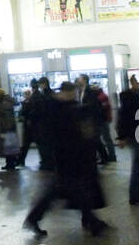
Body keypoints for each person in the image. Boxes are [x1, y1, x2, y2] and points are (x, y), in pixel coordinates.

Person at [23, 82, 110, 236]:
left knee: (75, 188)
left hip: (73, 156)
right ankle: (34, 218)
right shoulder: (54, 107)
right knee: (63, 189)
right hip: (67, 156)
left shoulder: (66, 106)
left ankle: (90, 219)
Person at [116, 75, 139, 205]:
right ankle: (135, 195)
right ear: (131, 84)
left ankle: (135, 194)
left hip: (137, 134)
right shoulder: (129, 100)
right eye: (137, 82)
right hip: (134, 135)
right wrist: (122, 137)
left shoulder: (133, 98)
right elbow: (124, 119)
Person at [0, 89, 20, 170]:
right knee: (8, 147)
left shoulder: (5, 104)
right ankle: (9, 163)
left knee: (9, 146)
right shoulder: (2, 102)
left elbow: (7, 117)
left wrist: (7, 128)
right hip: (5, 127)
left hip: (6, 128)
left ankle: (11, 164)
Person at [90, 82, 116, 164]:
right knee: (104, 139)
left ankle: (112, 156)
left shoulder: (102, 96)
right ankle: (109, 156)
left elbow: (103, 109)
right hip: (102, 120)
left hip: (103, 120)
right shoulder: (100, 96)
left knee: (106, 139)